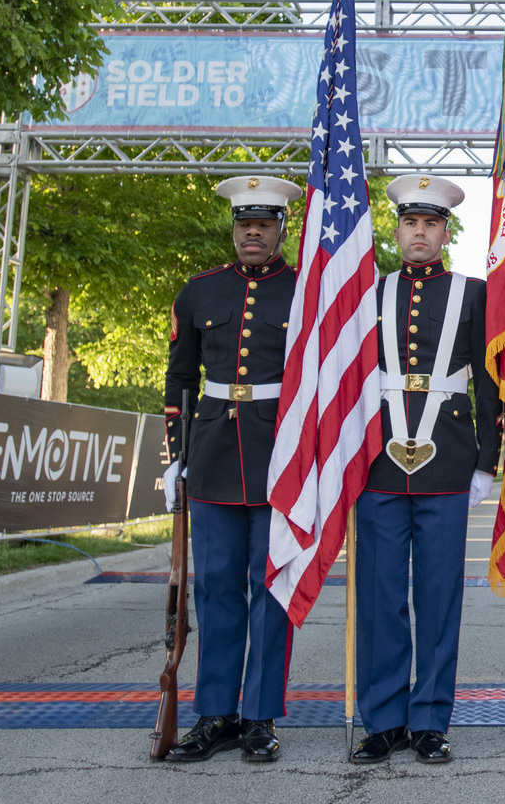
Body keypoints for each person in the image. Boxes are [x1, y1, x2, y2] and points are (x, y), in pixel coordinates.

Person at [349, 176, 504, 765]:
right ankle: (383, 720)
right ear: (396, 230)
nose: (420, 232)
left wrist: (489, 458)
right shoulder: (366, 293)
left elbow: (489, 382)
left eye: (431, 223)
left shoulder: (475, 293)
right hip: (379, 463)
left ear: (445, 231)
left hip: (447, 459)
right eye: (411, 223)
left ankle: (431, 719)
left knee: (438, 597)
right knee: (381, 596)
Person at [160, 175, 303, 763]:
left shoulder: (306, 292)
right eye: (244, 223)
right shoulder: (199, 292)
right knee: (217, 590)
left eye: (264, 224)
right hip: (215, 455)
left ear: (281, 229)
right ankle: (215, 712)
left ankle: (260, 716)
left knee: (272, 591)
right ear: (234, 227)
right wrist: (176, 456)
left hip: (281, 460)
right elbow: (180, 379)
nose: (252, 232)